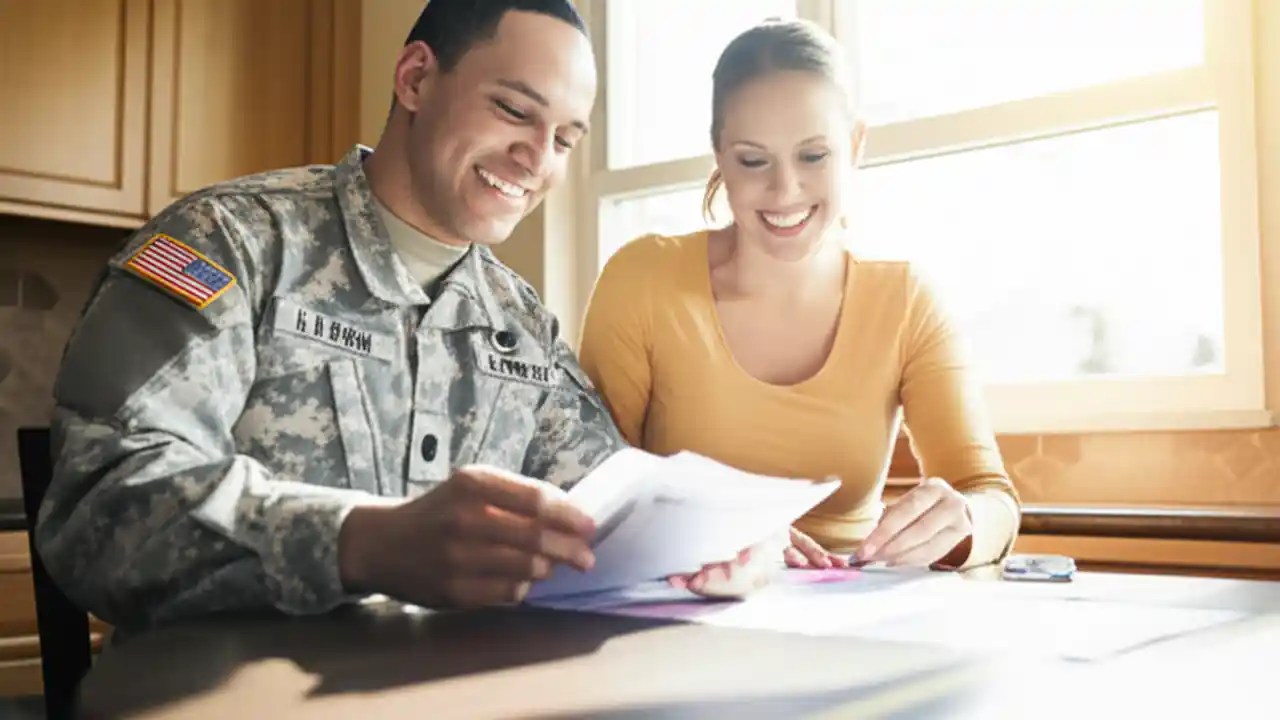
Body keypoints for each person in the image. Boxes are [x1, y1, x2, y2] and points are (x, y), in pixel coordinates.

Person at [36, 0, 663, 633]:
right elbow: (101, 505)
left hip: (458, 691)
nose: (537, 160)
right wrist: (358, 541)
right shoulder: (229, 243)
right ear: (416, 79)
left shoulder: (521, 323)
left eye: (563, 139)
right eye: (513, 111)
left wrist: (694, 553)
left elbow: (606, 515)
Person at [578, 19, 1021, 591]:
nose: (785, 191)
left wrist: (964, 523)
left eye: (813, 156)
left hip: (851, 616)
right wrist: (717, 529)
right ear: (719, 155)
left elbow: (991, 496)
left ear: (856, 145)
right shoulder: (644, 281)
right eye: (753, 161)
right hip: (677, 610)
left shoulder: (905, 301)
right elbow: (590, 492)